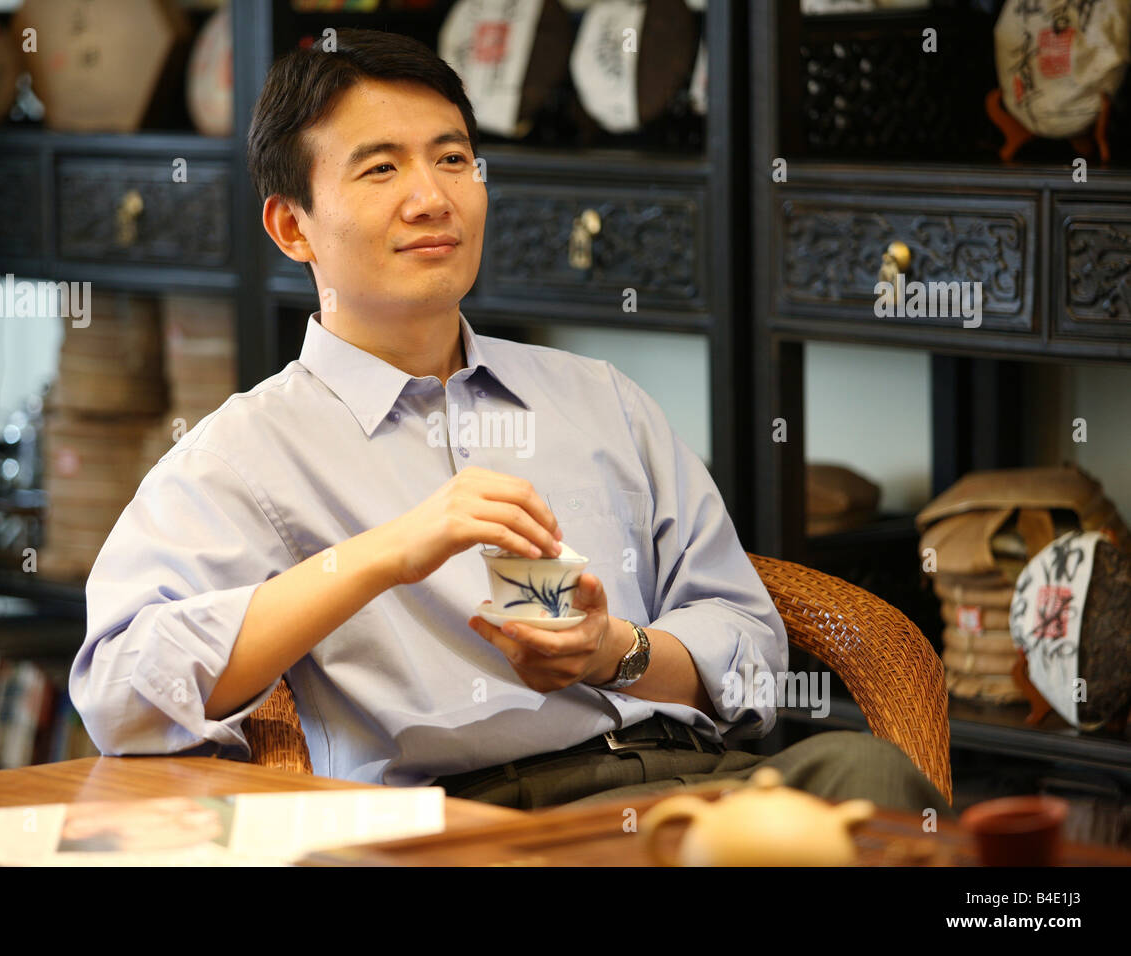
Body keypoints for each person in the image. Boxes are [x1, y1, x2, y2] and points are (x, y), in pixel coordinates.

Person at [70, 28, 953, 820]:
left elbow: (755, 656)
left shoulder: (599, 398)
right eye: (381, 169)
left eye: (452, 159)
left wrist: (617, 651)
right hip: (484, 820)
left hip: (697, 784)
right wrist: (384, 553)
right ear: (290, 226)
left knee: (866, 779)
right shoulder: (243, 455)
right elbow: (120, 694)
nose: (431, 197)